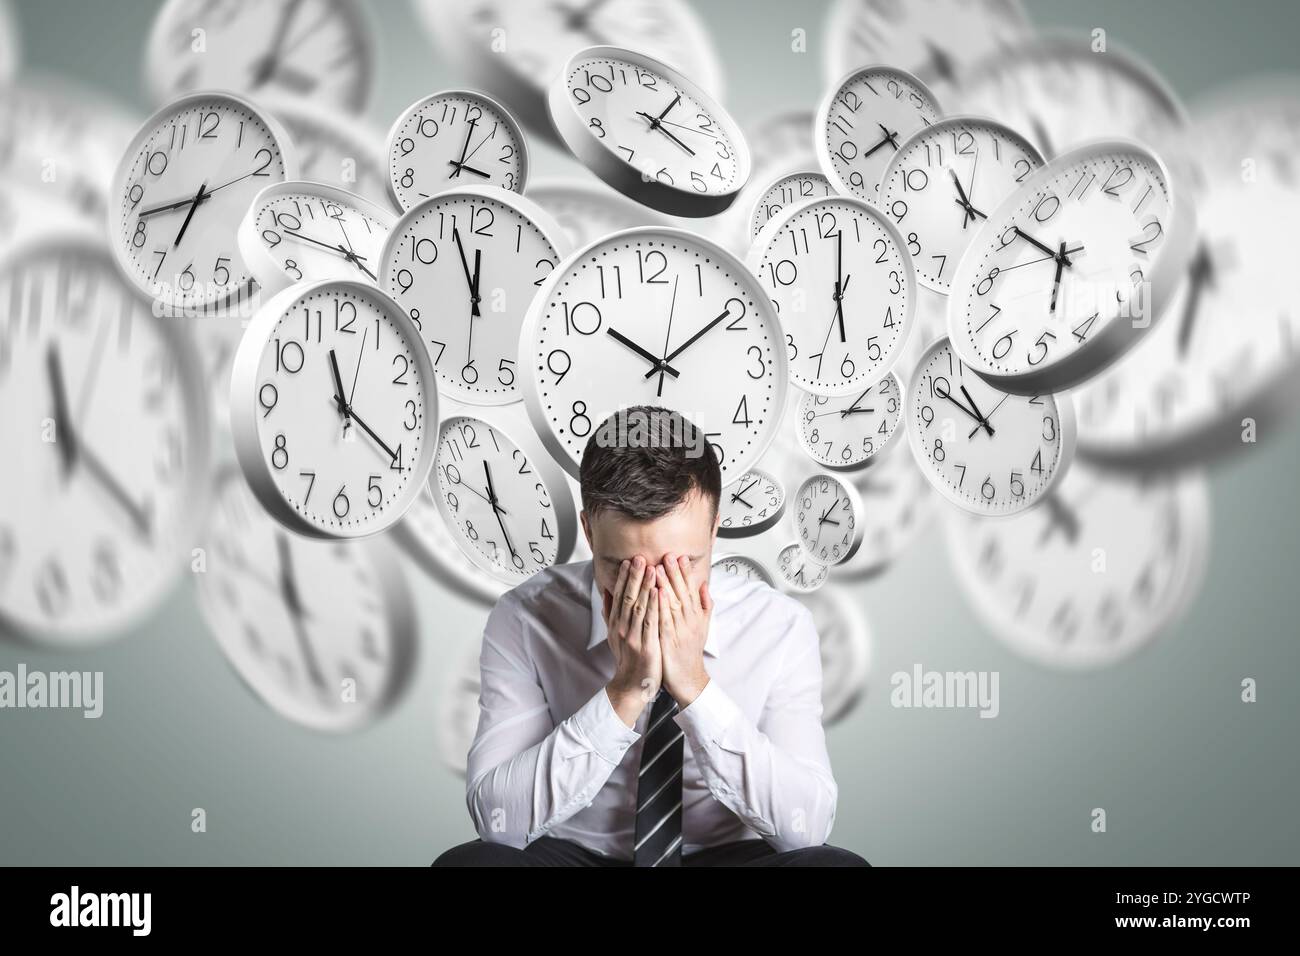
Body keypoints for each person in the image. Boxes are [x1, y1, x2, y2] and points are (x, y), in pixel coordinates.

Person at [433, 406, 868, 867]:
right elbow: (498, 822)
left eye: (683, 565)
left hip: (726, 856)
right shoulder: (525, 617)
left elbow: (808, 827)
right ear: (588, 530)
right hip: (576, 855)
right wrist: (625, 693)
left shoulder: (779, 625)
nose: (656, 592)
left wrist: (695, 688)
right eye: (624, 569)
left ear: (715, 529)